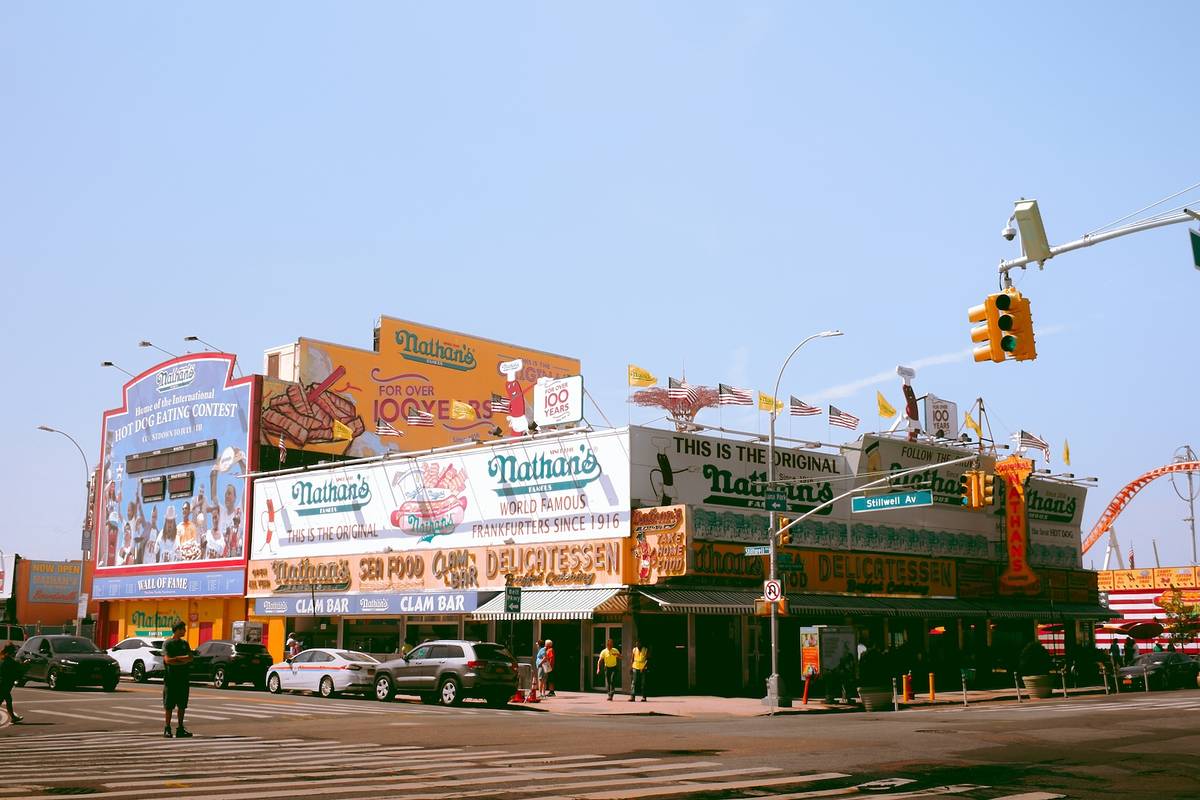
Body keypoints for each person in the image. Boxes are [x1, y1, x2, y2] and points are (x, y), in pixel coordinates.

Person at [162, 621, 194, 738]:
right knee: (169, 705)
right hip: (171, 679)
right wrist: (182, 659)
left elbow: (190, 658)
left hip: (183, 679)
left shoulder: (185, 644)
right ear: (177, 630)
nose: (185, 631)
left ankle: (180, 728)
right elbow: (168, 660)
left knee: (182, 705)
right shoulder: (168, 644)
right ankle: (167, 728)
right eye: (183, 629)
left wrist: (176, 660)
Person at [0, 644, 23, 724]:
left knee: (7, 700)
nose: (15, 653)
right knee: (6, 700)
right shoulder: (9, 661)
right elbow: (18, 669)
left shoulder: (3, 658)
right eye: (13, 651)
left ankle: (13, 717)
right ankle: (13, 717)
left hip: (3, 683)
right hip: (4, 684)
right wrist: (25, 664)